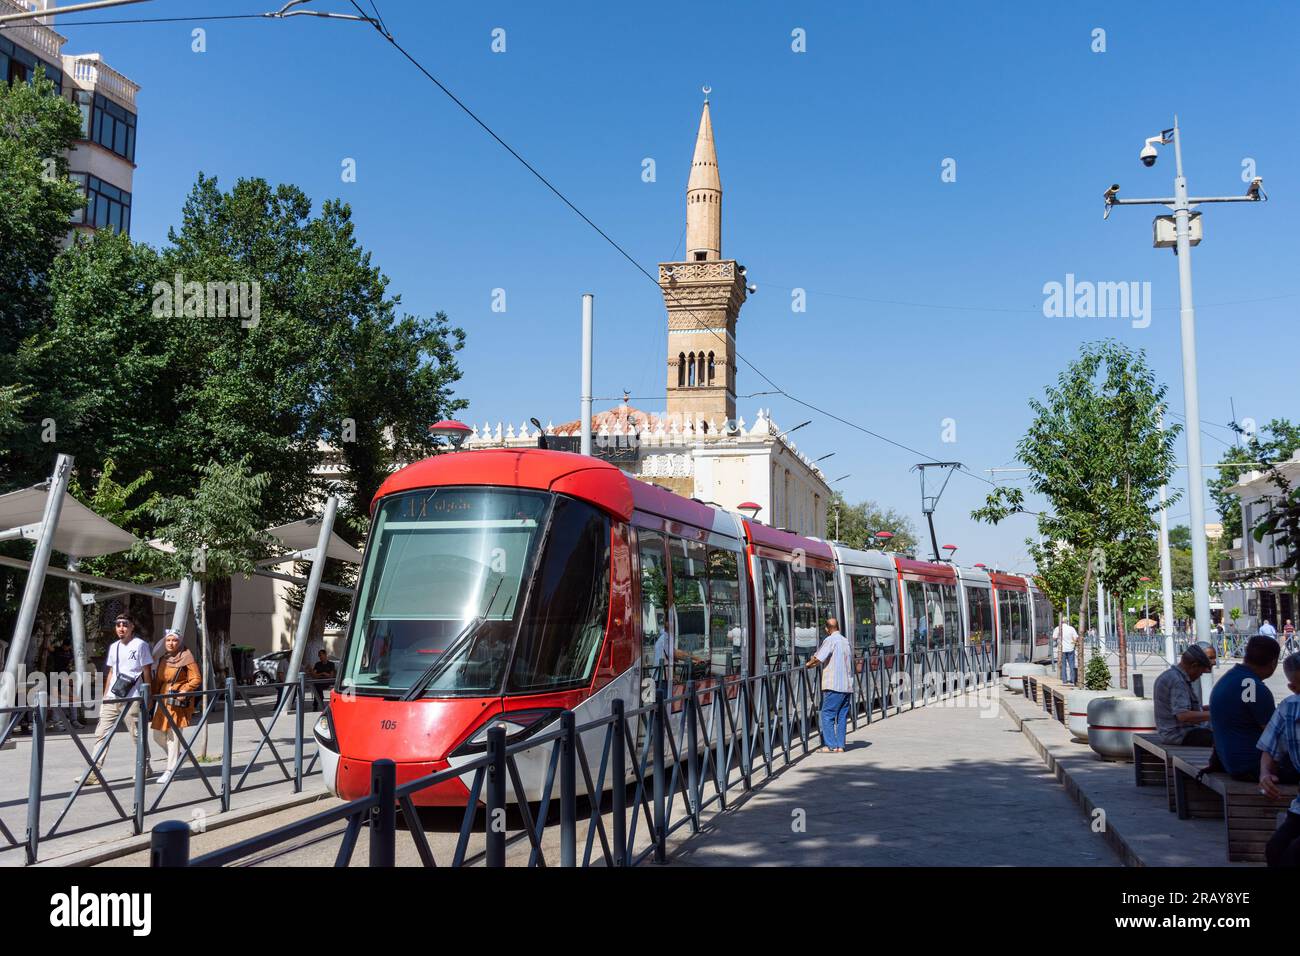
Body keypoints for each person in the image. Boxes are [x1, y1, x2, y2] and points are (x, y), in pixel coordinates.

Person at [82, 614, 153, 784]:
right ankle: (94, 771)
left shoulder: (140, 645)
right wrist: (105, 696)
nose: (121, 628)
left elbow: (147, 671)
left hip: (133, 696)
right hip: (113, 696)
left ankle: (144, 766)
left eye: (125, 624)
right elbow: (112, 672)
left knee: (136, 734)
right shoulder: (114, 647)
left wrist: (148, 695)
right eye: (118, 625)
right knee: (101, 733)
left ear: (131, 627)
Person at [1209, 636, 1281, 780]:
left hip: (1228, 761)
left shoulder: (1228, 678)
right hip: (1251, 765)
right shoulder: (1254, 688)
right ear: (1273, 662)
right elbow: (1275, 736)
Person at [1258, 653, 1300, 867]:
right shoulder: (1289, 708)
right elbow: (1268, 748)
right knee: (1275, 849)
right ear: (1294, 689)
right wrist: (1265, 773)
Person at [149, 629, 201, 786]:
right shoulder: (164, 659)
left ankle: (170, 770)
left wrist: (184, 689)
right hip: (163, 700)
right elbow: (158, 681)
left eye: (174, 640)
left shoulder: (187, 657)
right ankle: (179, 756)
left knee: (173, 736)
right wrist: (150, 696)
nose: (171, 643)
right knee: (157, 735)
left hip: (177, 701)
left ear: (180, 642)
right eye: (168, 640)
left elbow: (196, 678)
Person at [806, 617, 853, 753]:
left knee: (827, 714)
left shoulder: (830, 640)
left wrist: (808, 665)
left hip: (834, 685)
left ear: (827, 629)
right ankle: (840, 746)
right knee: (842, 716)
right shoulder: (845, 641)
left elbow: (818, 658)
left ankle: (830, 745)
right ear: (837, 627)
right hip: (847, 686)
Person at [1152, 644, 1214, 746]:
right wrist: (1216, 714)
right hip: (1179, 734)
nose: (1199, 676)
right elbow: (1183, 715)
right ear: (1194, 666)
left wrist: (1210, 708)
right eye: (1201, 672)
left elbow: (1183, 708)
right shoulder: (1178, 682)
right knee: (1225, 738)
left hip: (1171, 733)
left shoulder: (1171, 675)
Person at [1054, 619, 1079, 683]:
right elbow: (1076, 637)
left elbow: (1054, 637)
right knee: (1072, 665)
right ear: (1067, 622)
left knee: (1063, 665)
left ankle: (1064, 680)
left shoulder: (1058, 628)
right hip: (1070, 648)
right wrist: (1073, 643)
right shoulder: (1071, 628)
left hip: (1062, 649)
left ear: (1061, 622)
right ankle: (1073, 680)